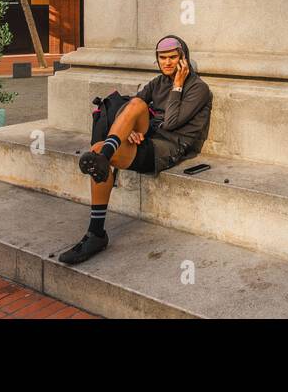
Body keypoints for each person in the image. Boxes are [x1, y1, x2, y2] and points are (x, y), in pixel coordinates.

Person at [57, 35, 213, 266]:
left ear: (184, 60)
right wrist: (128, 130)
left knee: (102, 146)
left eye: (173, 58)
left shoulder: (197, 88)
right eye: (163, 58)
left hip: (167, 147)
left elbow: (170, 123)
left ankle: (103, 161)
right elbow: (130, 108)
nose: (167, 63)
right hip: (147, 138)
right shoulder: (158, 82)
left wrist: (178, 85)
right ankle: (96, 234)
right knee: (132, 110)